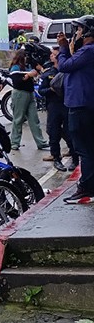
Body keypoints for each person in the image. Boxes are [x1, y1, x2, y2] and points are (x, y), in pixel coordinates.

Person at [57, 15, 94, 204]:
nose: (77, 33)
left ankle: (86, 187)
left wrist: (64, 47)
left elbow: (64, 66)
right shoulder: (86, 51)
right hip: (84, 104)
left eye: (79, 30)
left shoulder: (88, 51)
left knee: (84, 149)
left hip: (80, 105)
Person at [7, 47, 50, 152]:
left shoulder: (28, 66)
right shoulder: (16, 67)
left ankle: (41, 142)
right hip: (20, 94)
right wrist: (28, 75)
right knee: (18, 119)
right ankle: (14, 143)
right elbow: (17, 81)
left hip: (30, 93)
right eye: (26, 56)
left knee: (34, 119)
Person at [37, 57, 75, 172]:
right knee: (54, 133)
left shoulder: (70, 71)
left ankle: (75, 158)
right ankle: (56, 158)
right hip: (54, 106)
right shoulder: (49, 74)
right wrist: (51, 90)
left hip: (67, 105)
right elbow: (41, 91)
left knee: (70, 133)